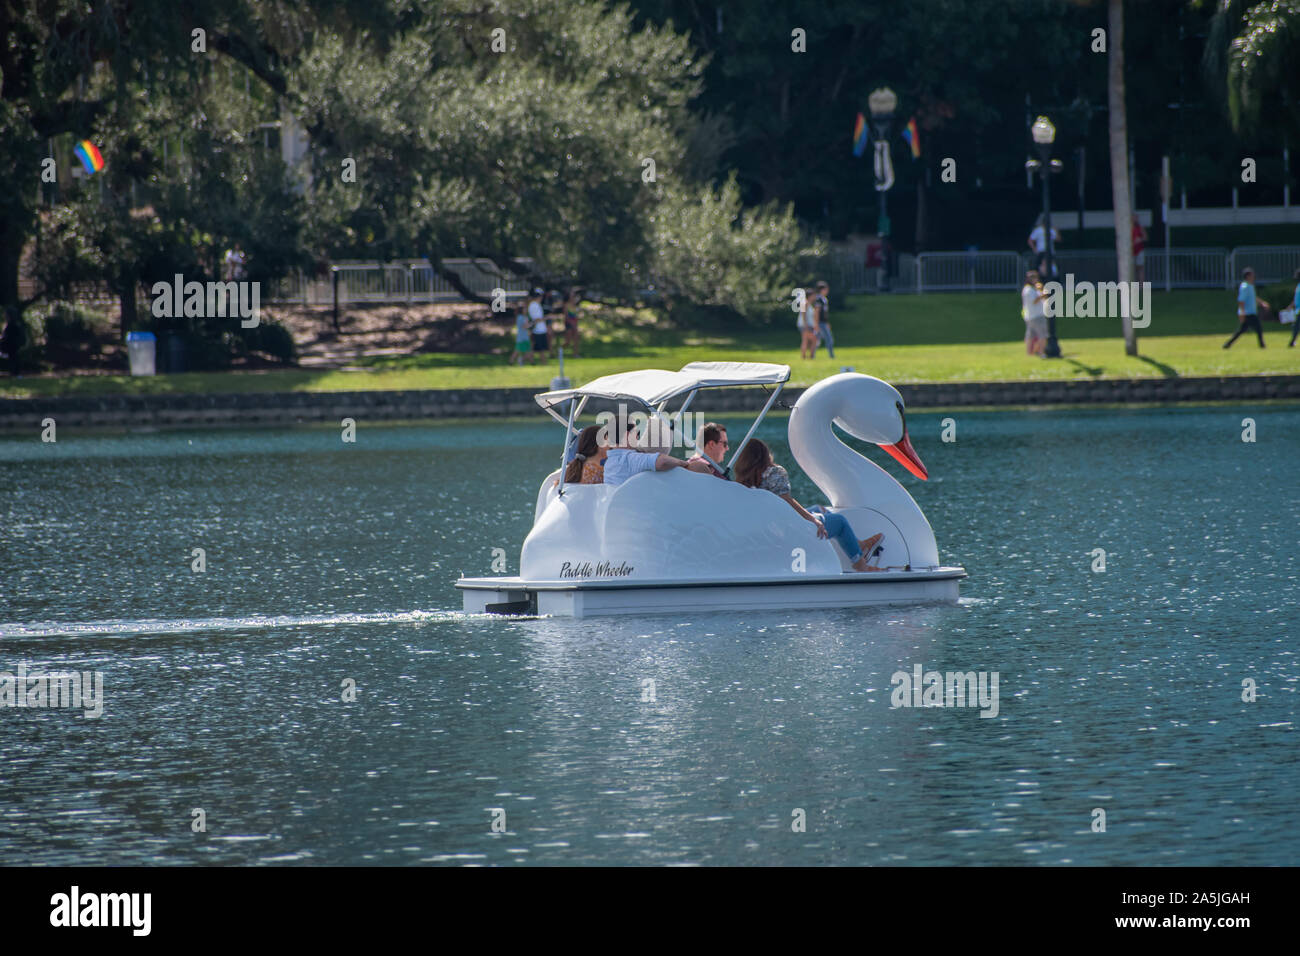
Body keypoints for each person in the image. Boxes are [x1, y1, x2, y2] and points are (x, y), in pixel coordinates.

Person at [734, 439, 884, 572]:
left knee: (820, 509)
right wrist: (814, 521)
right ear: (765, 455)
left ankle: (859, 546)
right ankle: (860, 565)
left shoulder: (740, 481)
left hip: (769, 528)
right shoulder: (774, 472)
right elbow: (787, 502)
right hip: (787, 531)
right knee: (840, 522)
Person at [603, 419, 712, 487]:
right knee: (698, 467)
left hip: (618, 508)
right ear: (627, 435)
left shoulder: (609, 462)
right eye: (637, 433)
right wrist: (684, 464)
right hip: (634, 510)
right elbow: (662, 461)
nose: (638, 437)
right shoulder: (630, 459)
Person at [1224, 267, 1268, 349]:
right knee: (1258, 328)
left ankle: (1228, 344)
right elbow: (1241, 300)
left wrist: (1262, 303)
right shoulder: (1245, 287)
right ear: (1248, 276)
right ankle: (1262, 345)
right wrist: (1242, 312)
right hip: (1248, 313)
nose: (1254, 276)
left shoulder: (1250, 286)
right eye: (1252, 275)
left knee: (1242, 330)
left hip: (1251, 312)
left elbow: (1253, 297)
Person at [1021, 270, 1048, 356]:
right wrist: (1043, 294)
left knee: (1031, 336)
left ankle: (1031, 353)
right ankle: (1041, 352)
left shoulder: (1034, 289)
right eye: (1033, 278)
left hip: (1032, 316)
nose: (1036, 279)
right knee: (1042, 335)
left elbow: (1044, 299)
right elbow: (1034, 301)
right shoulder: (1028, 290)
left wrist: (1042, 291)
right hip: (1036, 316)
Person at [814, 280, 834, 358]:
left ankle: (813, 355)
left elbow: (825, 313)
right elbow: (816, 312)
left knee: (818, 340)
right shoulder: (819, 299)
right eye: (826, 289)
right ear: (822, 290)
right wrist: (816, 324)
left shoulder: (824, 299)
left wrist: (827, 322)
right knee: (828, 339)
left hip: (824, 322)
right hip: (820, 323)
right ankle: (831, 355)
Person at [527, 288, 549, 360]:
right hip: (537, 330)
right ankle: (544, 364)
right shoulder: (534, 305)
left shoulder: (537, 305)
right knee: (540, 349)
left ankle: (524, 360)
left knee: (535, 349)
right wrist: (547, 317)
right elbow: (536, 319)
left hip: (541, 329)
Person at [798, 287, 818, 359]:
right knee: (809, 340)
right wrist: (805, 325)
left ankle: (807, 356)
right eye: (814, 295)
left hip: (806, 324)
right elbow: (803, 314)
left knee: (807, 340)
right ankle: (807, 356)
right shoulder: (805, 303)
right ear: (810, 295)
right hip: (804, 325)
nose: (815, 297)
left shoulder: (808, 303)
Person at [562, 287, 582, 358]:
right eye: (572, 295)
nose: (573, 297)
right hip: (569, 324)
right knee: (568, 341)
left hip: (575, 323)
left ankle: (575, 354)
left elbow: (576, 315)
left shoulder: (575, 305)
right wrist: (572, 324)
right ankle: (560, 351)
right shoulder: (566, 305)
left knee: (576, 340)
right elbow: (566, 317)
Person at [1131, 215, 1148, 284]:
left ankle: (1141, 285)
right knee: (1133, 269)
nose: (1135, 220)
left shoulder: (1140, 227)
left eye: (1136, 218)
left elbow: (1146, 237)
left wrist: (1140, 239)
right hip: (1131, 251)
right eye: (1134, 218)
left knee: (1140, 268)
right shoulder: (1129, 228)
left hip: (1139, 250)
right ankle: (1133, 284)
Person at [1288, 268, 1300, 348]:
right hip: (1298, 310)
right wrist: (1290, 306)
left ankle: (1292, 342)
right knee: (1296, 326)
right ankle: (1292, 342)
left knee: (1296, 326)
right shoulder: (1298, 286)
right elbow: (1296, 298)